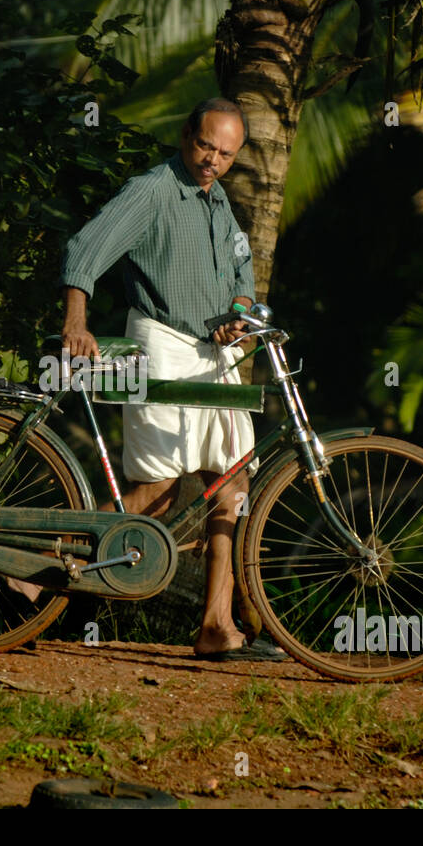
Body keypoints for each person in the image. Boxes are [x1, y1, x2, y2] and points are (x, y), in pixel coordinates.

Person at [58, 97, 283, 661]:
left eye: (226, 153)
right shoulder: (155, 188)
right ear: (186, 134)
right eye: (206, 145)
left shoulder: (217, 201)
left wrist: (239, 309)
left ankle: (215, 626)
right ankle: (41, 557)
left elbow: (241, 273)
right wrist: (76, 322)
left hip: (215, 353)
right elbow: (87, 247)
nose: (212, 160)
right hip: (161, 343)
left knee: (230, 485)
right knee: (156, 494)